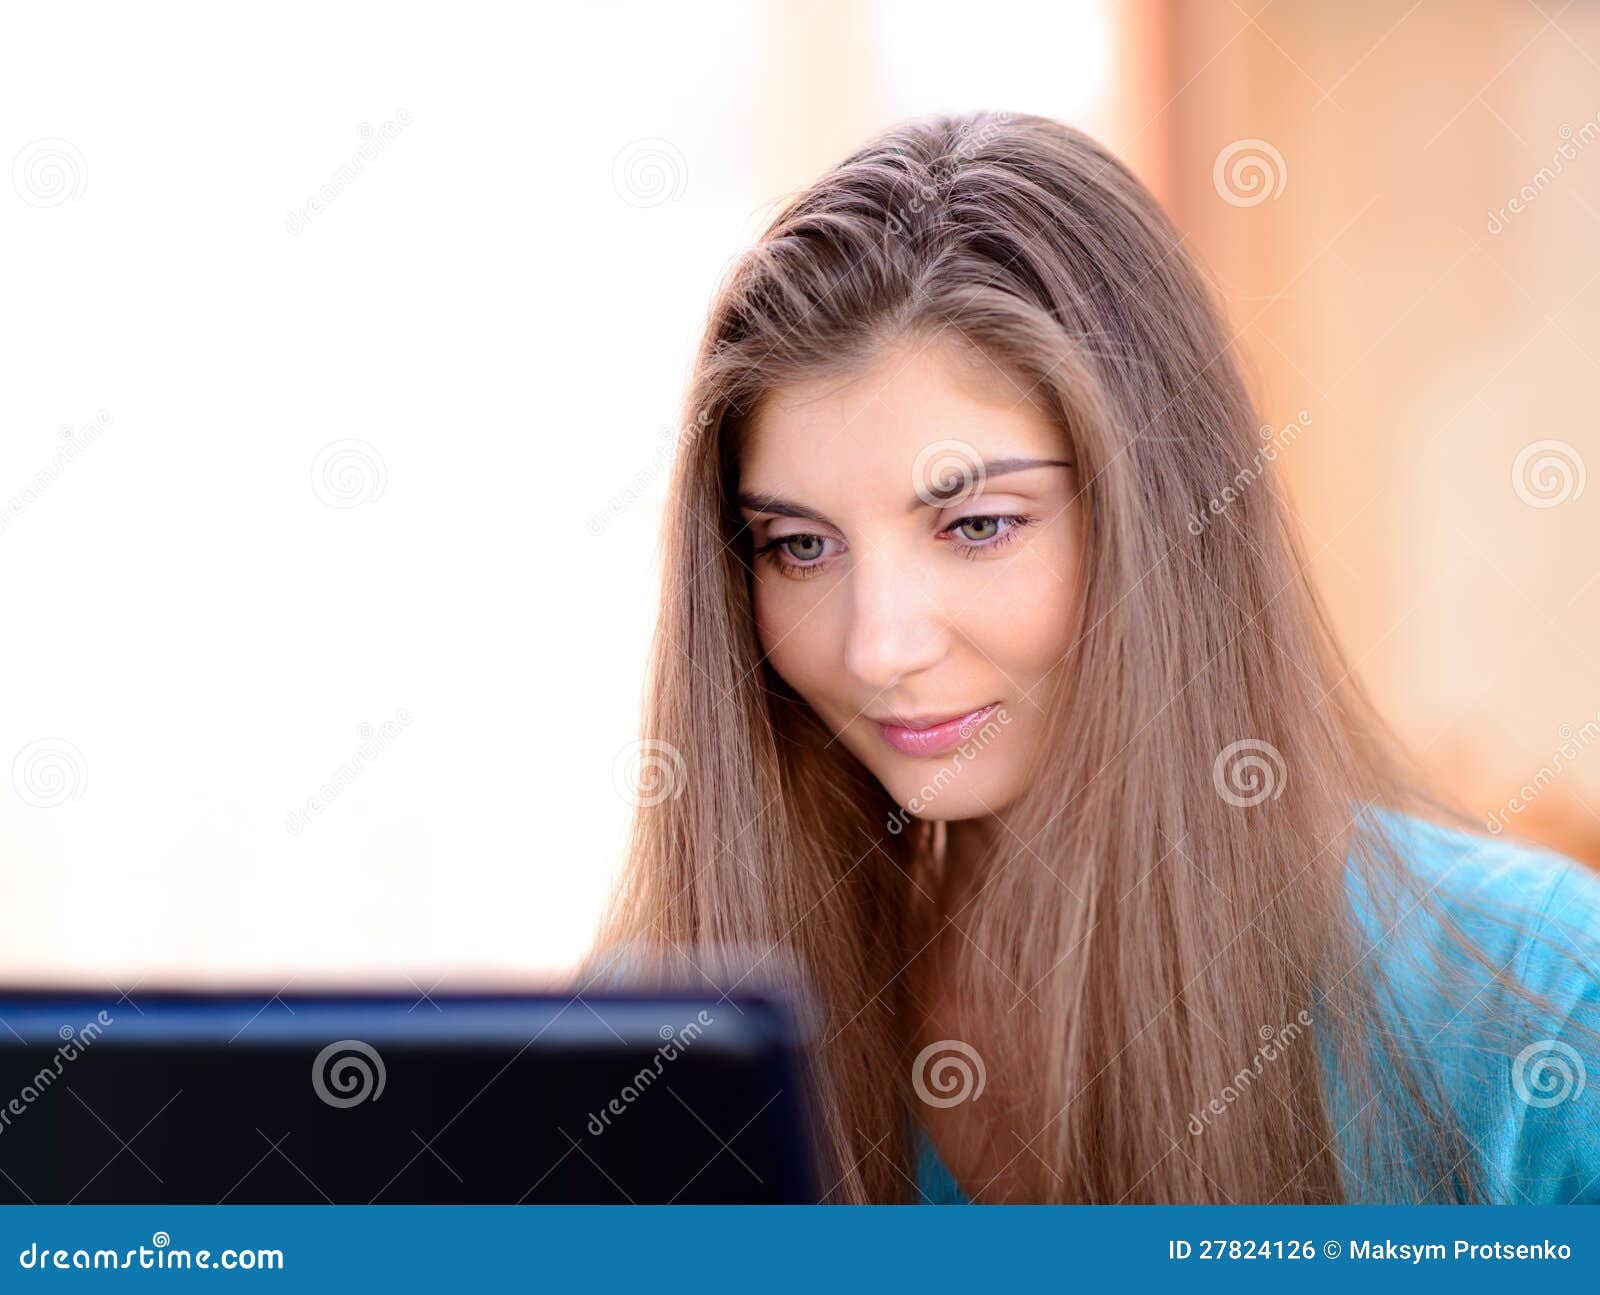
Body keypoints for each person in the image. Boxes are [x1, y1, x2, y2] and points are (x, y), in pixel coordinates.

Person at [586, 111, 1600, 1204]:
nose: (877, 645)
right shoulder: (653, 1029)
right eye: (798, 545)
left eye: (976, 524)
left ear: (1163, 518)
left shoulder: (1533, 1001)